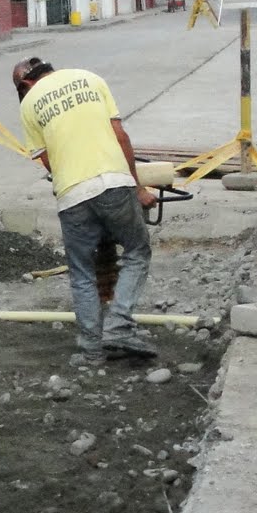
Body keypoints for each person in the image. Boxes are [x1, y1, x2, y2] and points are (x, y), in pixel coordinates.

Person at [13, 57, 158, 362]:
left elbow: (48, 160)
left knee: (82, 272)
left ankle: (91, 349)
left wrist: (71, 177)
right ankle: (119, 325)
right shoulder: (90, 78)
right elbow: (120, 136)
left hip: (71, 196)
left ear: (25, 85)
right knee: (137, 251)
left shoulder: (28, 106)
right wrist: (139, 188)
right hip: (113, 183)